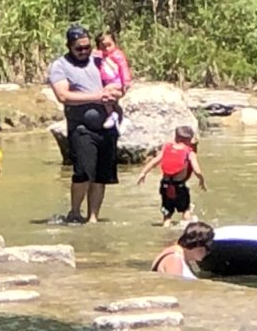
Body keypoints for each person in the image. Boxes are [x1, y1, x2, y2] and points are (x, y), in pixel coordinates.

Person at [47, 23, 123, 223]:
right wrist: (97, 97)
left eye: (87, 47)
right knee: (83, 173)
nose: (84, 51)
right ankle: (74, 212)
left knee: (100, 176)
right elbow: (63, 96)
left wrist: (115, 93)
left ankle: (93, 218)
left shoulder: (99, 59)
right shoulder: (60, 66)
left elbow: (119, 80)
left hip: (107, 127)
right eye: (78, 48)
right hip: (81, 128)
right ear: (69, 46)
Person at [136, 125, 206, 224]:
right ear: (189, 140)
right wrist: (201, 180)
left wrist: (143, 173)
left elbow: (154, 162)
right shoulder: (189, 152)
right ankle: (186, 227)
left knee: (167, 214)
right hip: (180, 187)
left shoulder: (166, 148)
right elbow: (197, 170)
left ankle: (166, 226)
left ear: (176, 137)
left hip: (165, 185)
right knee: (186, 210)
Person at [96, 29, 132, 131]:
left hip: (117, 81)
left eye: (109, 45)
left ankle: (112, 114)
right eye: (103, 46)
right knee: (106, 96)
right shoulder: (100, 56)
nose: (106, 48)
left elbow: (123, 68)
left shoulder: (117, 55)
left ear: (115, 43)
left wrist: (126, 81)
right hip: (108, 82)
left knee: (106, 90)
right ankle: (112, 114)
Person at [151, 221, 215, 278]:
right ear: (197, 245)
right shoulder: (174, 259)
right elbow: (175, 286)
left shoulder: (182, 256)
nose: (208, 251)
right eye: (207, 247)